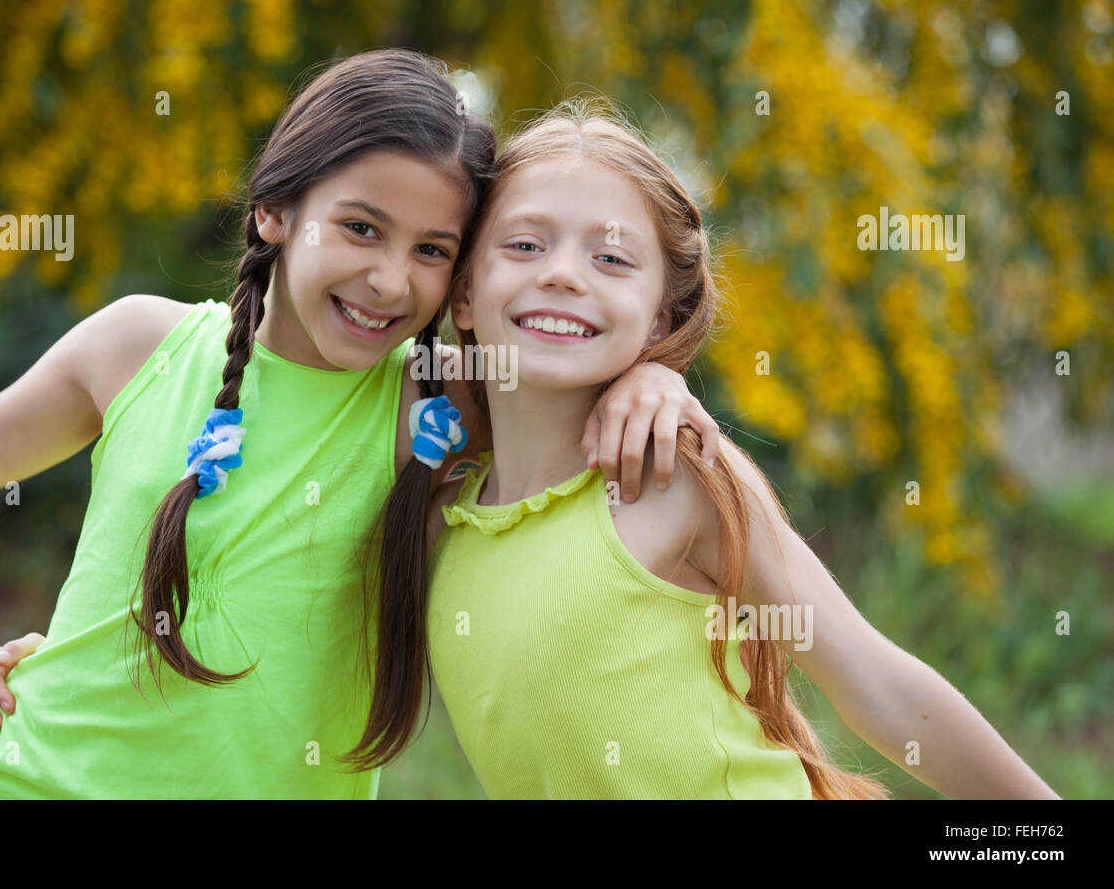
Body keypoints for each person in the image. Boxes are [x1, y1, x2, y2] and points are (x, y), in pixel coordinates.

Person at [0, 51, 719, 797]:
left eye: (432, 251)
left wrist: (655, 380)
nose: (389, 280)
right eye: (360, 228)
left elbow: (577, 355)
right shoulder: (138, 347)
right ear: (275, 210)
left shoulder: (443, 407)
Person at [413, 99, 1059, 798]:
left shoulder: (674, 475)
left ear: (659, 318)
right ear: (463, 294)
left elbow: (880, 687)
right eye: (524, 246)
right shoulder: (441, 513)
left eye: (611, 258)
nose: (564, 274)